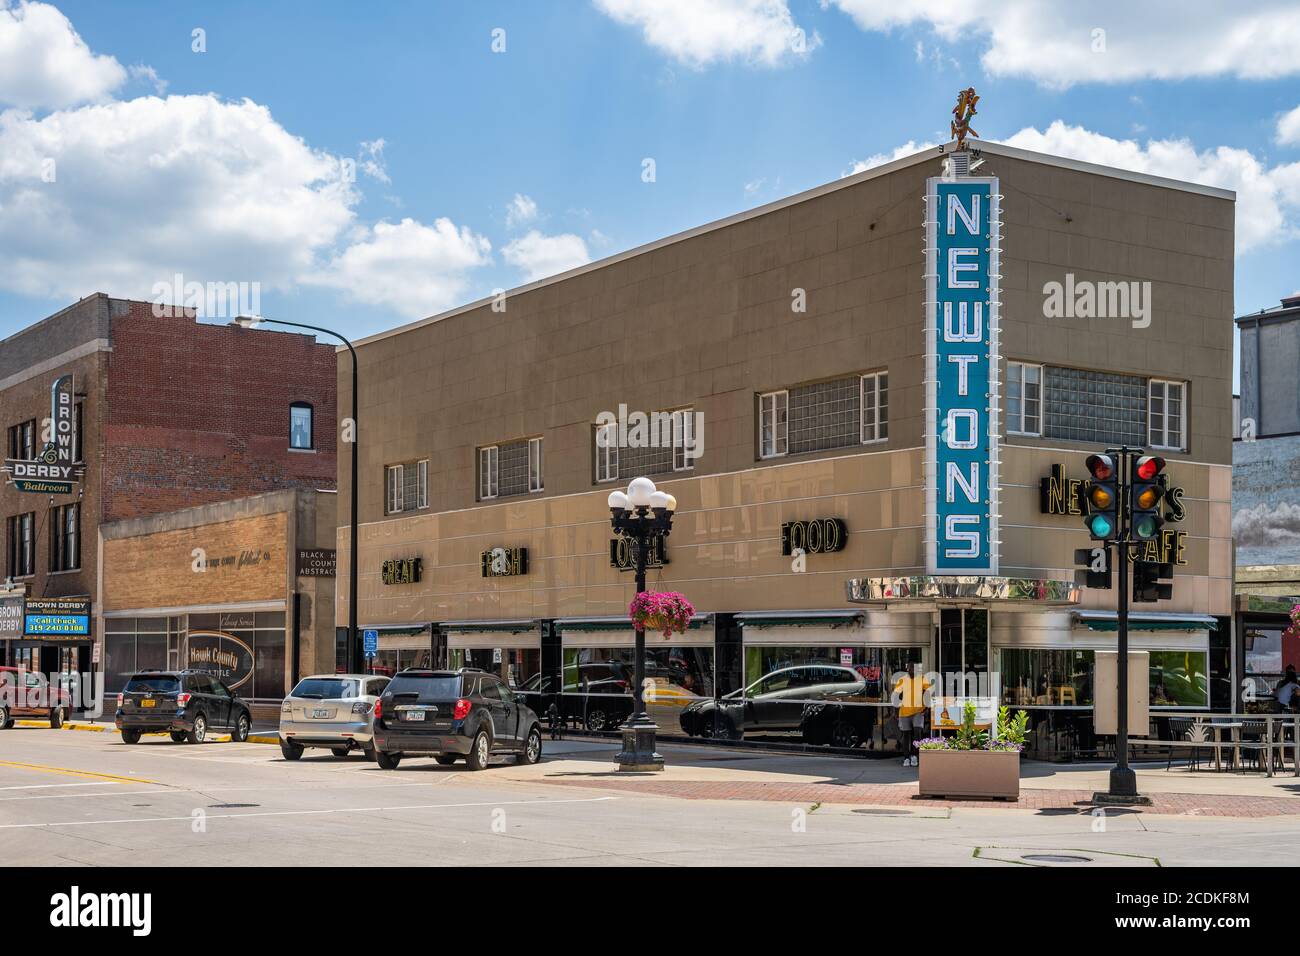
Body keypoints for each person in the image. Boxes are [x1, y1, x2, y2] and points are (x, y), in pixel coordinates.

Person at [893, 668, 932, 767]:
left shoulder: (922, 679)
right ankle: (906, 757)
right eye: (910, 668)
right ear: (908, 669)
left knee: (917, 733)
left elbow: (928, 692)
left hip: (918, 711)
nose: (912, 670)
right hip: (904, 711)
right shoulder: (902, 680)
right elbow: (896, 695)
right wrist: (896, 711)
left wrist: (927, 707)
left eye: (914, 668)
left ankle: (914, 756)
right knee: (906, 736)